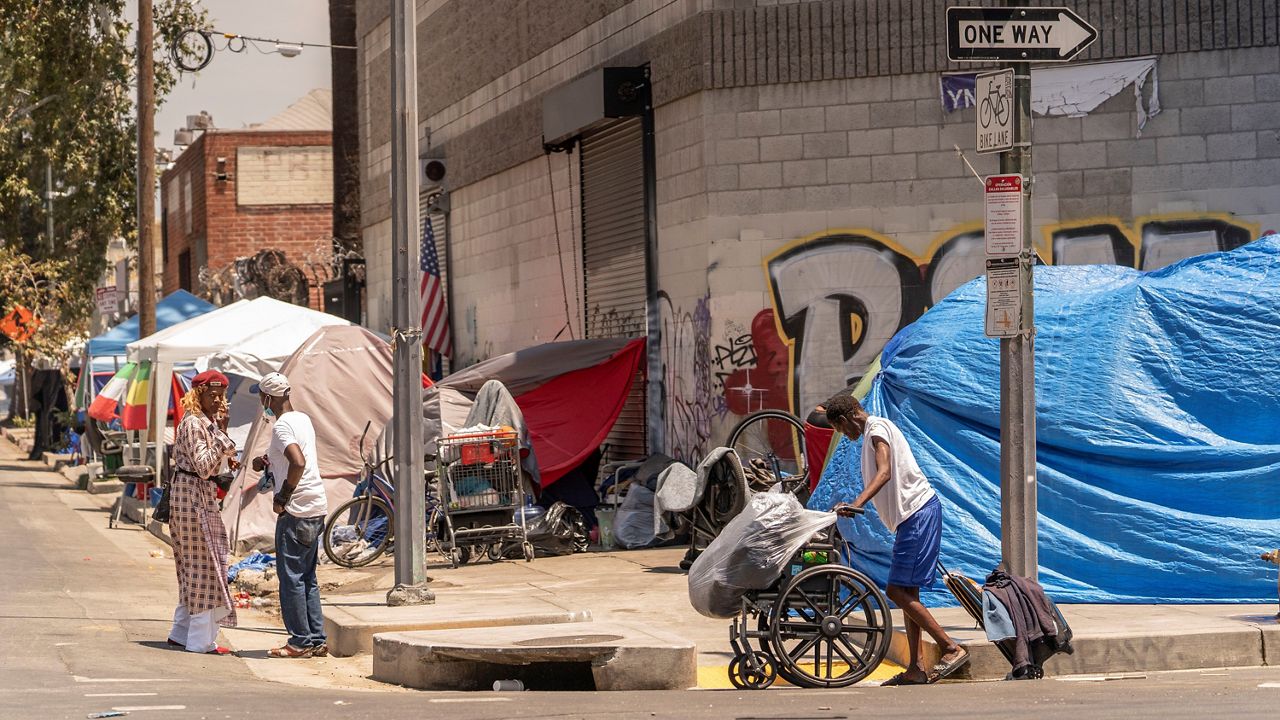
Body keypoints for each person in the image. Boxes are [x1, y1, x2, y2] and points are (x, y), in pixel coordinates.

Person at [823, 392, 969, 685]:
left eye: (839, 429)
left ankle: (950, 648)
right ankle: (916, 669)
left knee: (895, 592)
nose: (843, 434)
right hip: (911, 519)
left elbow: (885, 471)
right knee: (907, 594)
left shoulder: (876, 429)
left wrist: (859, 502)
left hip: (918, 514)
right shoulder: (872, 432)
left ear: (845, 418)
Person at [250, 372, 328, 658]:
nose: (261, 403)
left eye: (261, 397)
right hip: (316, 506)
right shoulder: (302, 419)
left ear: (269, 397)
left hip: (296, 510)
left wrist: (283, 496)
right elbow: (291, 456)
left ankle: (299, 642)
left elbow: (298, 461)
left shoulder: (281, 426)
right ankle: (316, 639)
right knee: (308, 577)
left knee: (291, 577)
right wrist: (266, 461)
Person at [167, 370, 240, 655]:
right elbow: (205, 467)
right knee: (204, 567)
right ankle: (200, 641)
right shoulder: (195, 423)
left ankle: (181, 632)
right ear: (197, 395)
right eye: (212, 396)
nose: (218, 401)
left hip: (195, 495)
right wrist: (222, 435)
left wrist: (221, 434)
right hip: (192, 497)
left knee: (194, 565)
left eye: (221, 396)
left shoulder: (204, 422)